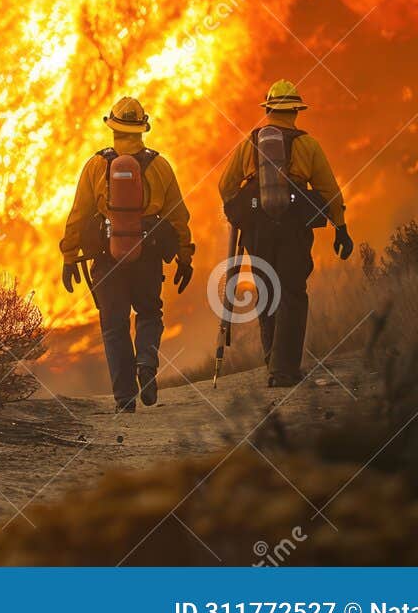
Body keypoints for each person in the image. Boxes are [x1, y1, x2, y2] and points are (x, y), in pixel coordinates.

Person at [60, 97, 195, 412]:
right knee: (149, 314)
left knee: (114, 325)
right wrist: (185, 256)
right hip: (147, 257)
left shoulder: (96, 165)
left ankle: (125, 399)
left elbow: (78, 215)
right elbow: (178, 216)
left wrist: (69, 256)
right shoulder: (160, 165)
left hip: (107, 258)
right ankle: (146, 362)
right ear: (142, 128)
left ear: (112, 127)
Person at [217, 80, 352, 388]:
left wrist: (239, 210)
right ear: (295, 111)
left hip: (256, 227)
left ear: (268, 110)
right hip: (293, 226)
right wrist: (340, 227)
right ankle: (284, 369)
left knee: (266, 289)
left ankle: (270, 360)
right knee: (292, 292)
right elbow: (329, 190)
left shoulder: (249, 144)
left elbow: (225, 185)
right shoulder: (308, 145)